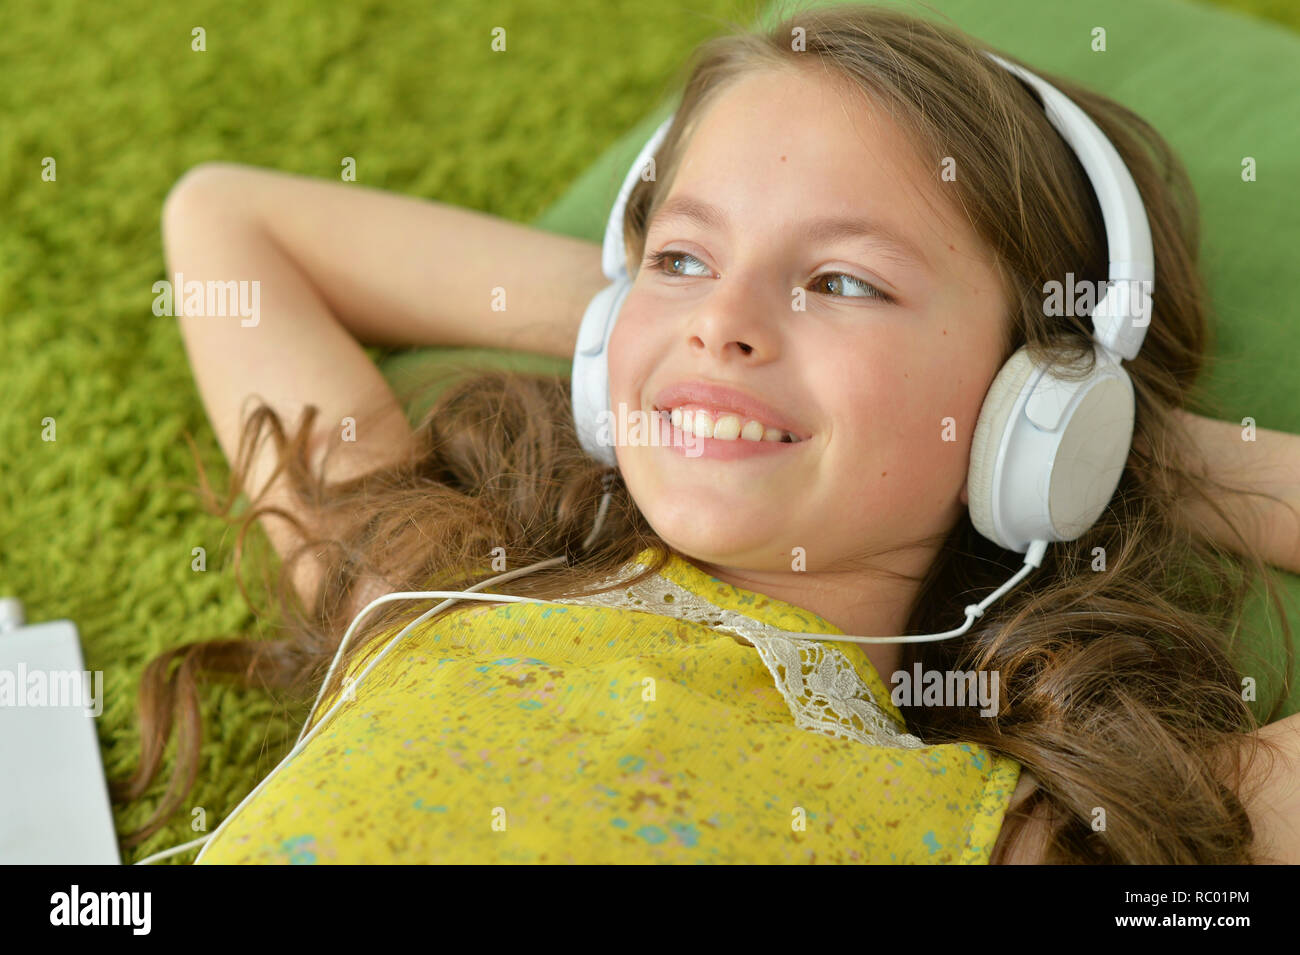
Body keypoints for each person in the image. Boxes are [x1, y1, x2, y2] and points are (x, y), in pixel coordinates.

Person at [122, 2, 1300, 863]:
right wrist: (627, 323)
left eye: (840, 282)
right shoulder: (428, 590)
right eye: (682, 257)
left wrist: (1124, 447)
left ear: (1026, 406)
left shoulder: (1036, 834)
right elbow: (227, 219)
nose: (723, 324)